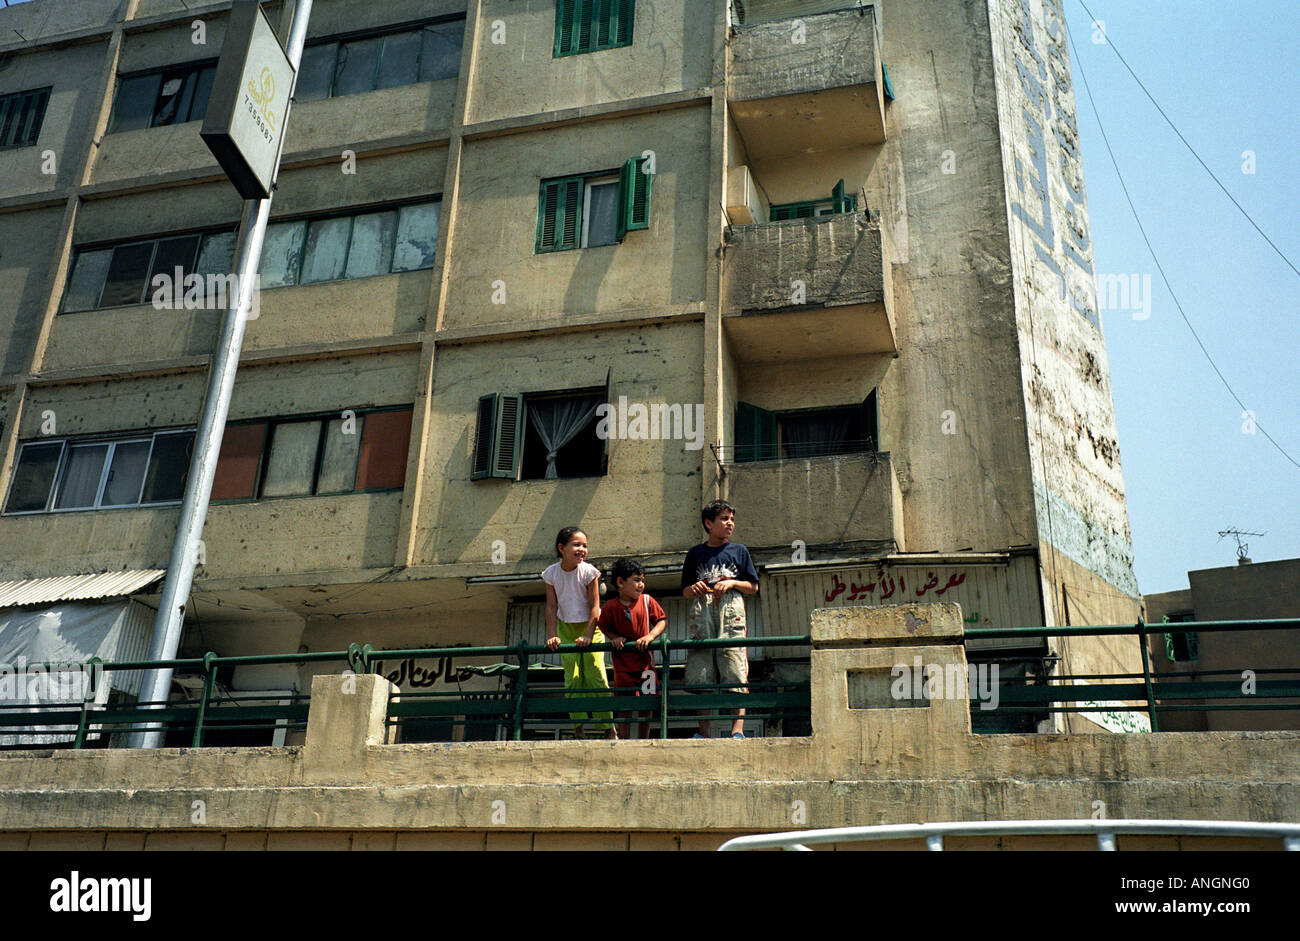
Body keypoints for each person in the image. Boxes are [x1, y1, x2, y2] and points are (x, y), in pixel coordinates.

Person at [681, 500, 759, 738]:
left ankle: (737, 730)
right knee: (702, 666)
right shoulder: (695, 553)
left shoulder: (740, 551)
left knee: (734, 664)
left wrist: (732, 582)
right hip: (703, 608)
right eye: (724, 519)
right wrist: (695, 588)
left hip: (730, 607)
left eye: (732, 519)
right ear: (708, 523)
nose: (730, 524)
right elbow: (684, 590)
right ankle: (704, 732)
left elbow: (753, 587)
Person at [542, 527, 616, 739]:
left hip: (591, 627)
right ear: (561, 548)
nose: (582, 549)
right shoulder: (551, 573)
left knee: (596, 676)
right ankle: (578, 728)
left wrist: (588, 635)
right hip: (566, 628)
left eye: (584, 545)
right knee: (573, 678)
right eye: (576, 545)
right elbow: (551, 606)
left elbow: (595, 606)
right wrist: (552, 634)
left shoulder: (589, 571)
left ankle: (608, 728)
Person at [598, 558, 667, 740]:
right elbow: (604, 626)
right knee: (624, 705)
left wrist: (650, 636)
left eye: (642, 580)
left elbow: (661, 620)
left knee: (647, 704)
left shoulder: (647, 601)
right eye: (636, 580)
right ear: (620, 582)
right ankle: (625, 739)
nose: (641, 585)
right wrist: (614, 638)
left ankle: (644, 738)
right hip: (623, 667)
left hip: (646, 665)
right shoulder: (611, 607)